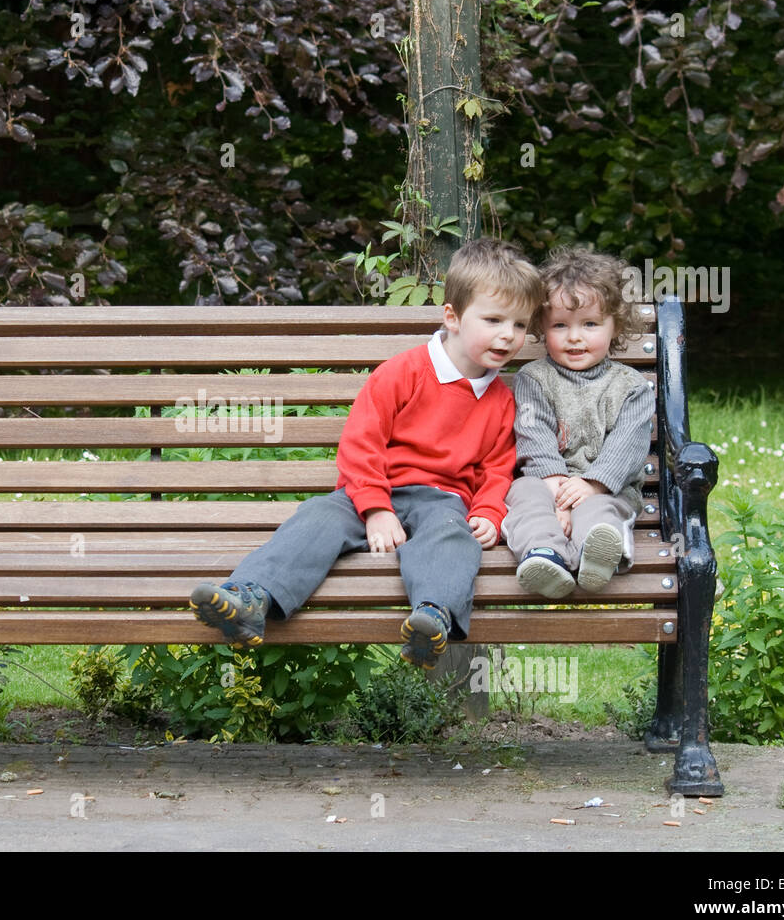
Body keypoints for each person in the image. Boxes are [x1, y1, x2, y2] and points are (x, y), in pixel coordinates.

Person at [189, 238, 544, 668]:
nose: (508, 335)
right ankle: (250, 599)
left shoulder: (502, 400)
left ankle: (432, 618)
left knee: (453, 536)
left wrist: (488, 511)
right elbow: (362, 444)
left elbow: (498, 468)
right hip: (370, 491)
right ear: (451, 316)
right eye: (493, 319)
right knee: (318, 516)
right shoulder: (403, 373)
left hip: (442, 500)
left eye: (520, 325)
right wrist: (376, 508)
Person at [502, 246, 651, 598]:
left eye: (590, 324)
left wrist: (593, 485)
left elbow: (627, 446)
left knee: (601, 511)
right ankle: (544, 554)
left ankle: (594, 555)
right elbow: (533, 435)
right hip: (547, 482)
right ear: (542, 326)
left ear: (615, 326)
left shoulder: (631, 387)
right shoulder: (533, 378)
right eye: (560, 325)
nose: (574, 337)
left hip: (605, 487)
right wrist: (557, 493)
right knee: (524, 495)